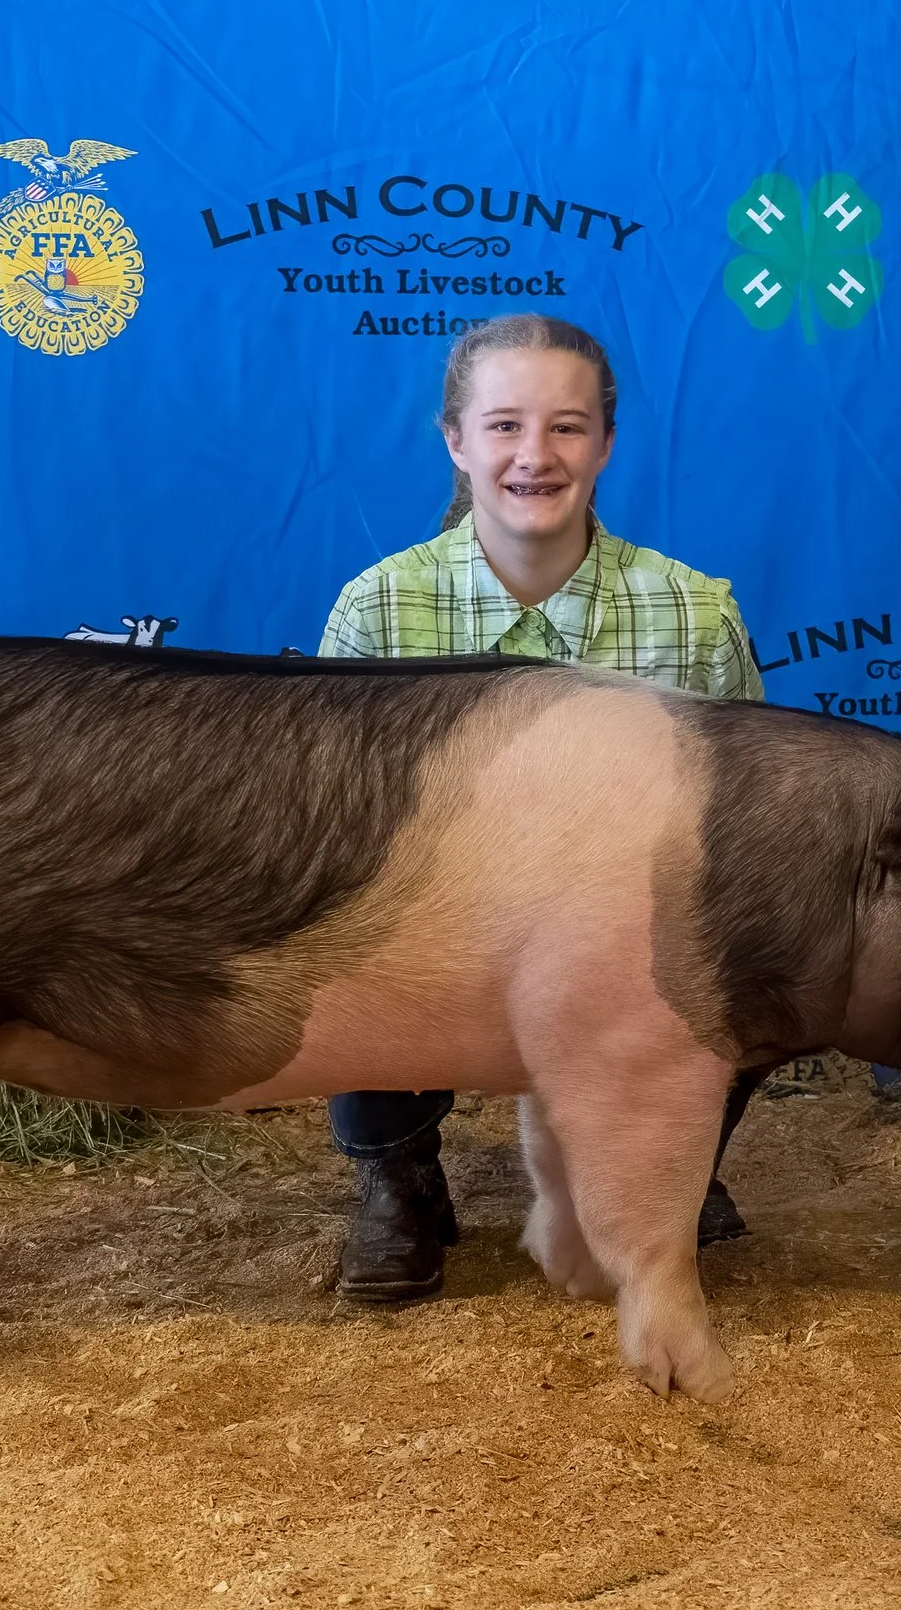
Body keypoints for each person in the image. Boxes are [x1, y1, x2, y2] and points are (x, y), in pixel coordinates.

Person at [317, 312, 765, 1303]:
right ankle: (395, 1172)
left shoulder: (692, 610)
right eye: (505, 424)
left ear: (605, 442)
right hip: (435, 926)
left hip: (624, 929)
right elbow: (331, 822)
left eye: (566, 427)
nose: (535, 454)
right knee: (343, 909)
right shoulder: (376, 609)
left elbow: (750, 815)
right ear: (456, 441)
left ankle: (667, 1164)